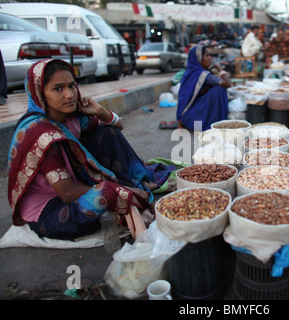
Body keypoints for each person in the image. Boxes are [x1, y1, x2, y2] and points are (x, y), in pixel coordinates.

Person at [7, 59, 177, 240]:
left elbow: (117, 127)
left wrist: (100, 111)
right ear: (40, 94)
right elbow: (67, 193)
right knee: (106, 194)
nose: (69, 94)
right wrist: (120, 192)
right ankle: (127, 192)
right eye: (58, 89)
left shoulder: (72, 118)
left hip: (75, 184)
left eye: (72, 86)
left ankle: (129, 188)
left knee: (107, 132)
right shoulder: (41, 133)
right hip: (52, 210)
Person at [176, 45, 230, 131]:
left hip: (186, 116)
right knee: (218, 90)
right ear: (199, 59)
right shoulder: (203, 75)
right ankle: (215, 122)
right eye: (207, 55)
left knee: (216, 89)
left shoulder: (191, 72)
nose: (210, 58)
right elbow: (227, 83)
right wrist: (219, 69)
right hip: (194, 118)